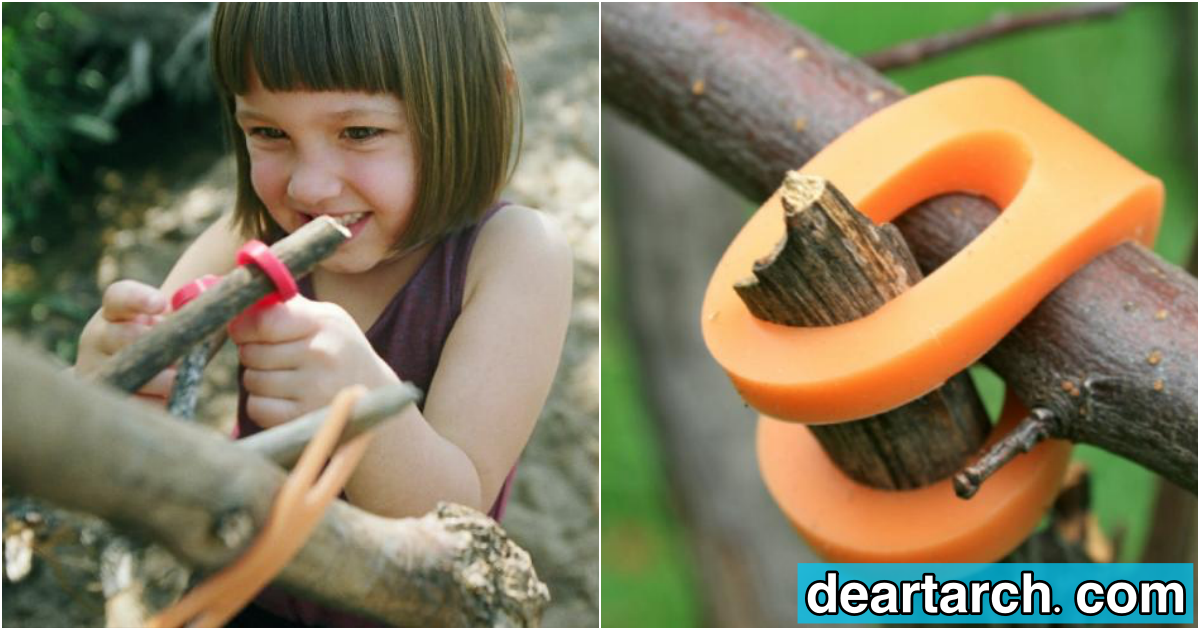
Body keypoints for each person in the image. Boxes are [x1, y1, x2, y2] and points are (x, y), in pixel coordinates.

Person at [72, 3, 572, 625]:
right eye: (268, 133)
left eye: (360, 133)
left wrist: (360, 408)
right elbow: (142, 410)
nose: (308, 188)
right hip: (238, 597)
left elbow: (456, 524)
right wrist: (115, 377)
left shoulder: (515, 254)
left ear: (485, 102)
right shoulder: (252, 232)